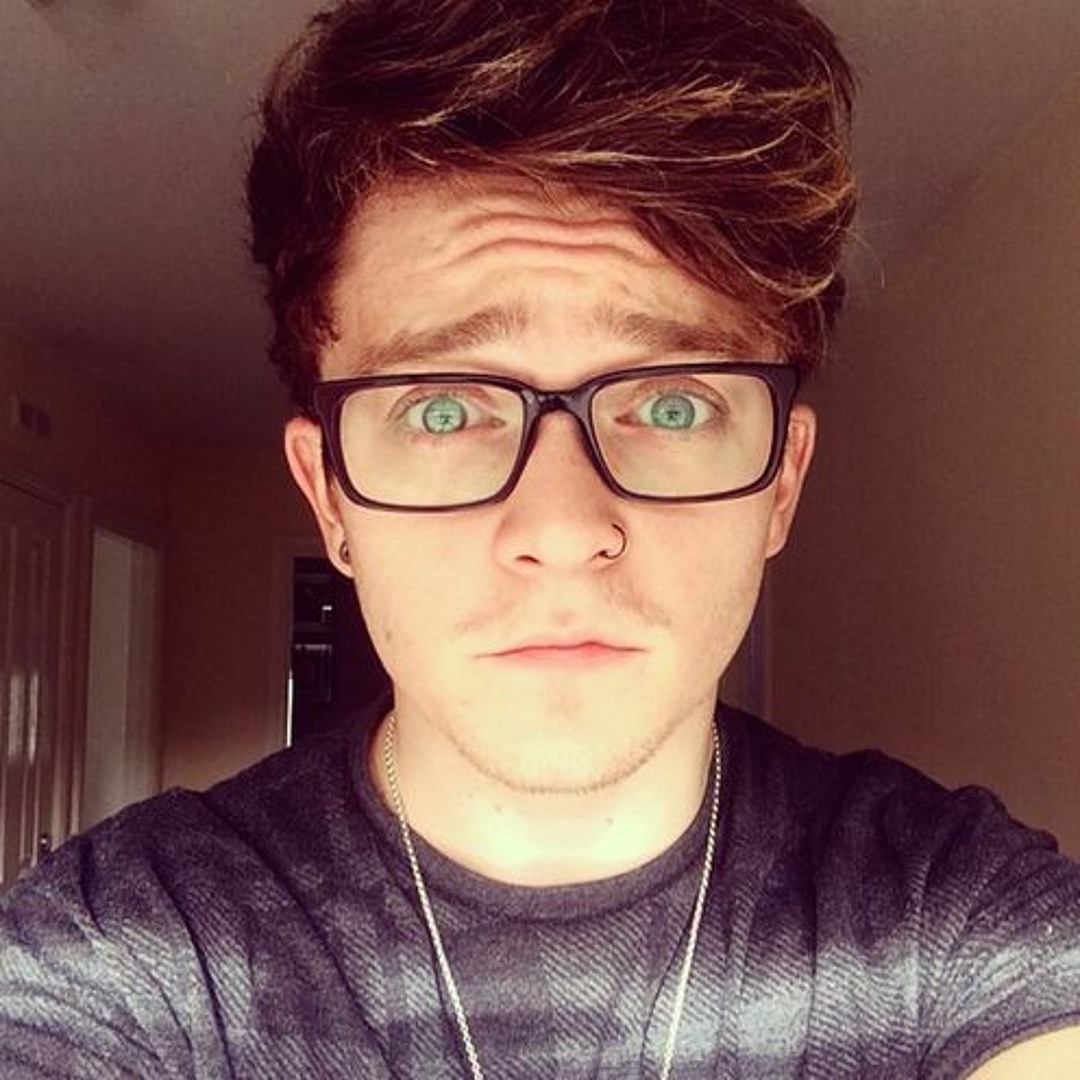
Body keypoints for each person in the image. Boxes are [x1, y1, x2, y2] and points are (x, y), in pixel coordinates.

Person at [2, 0, 1079, 1076]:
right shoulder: (118, 954)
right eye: (441, 409)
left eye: (671, 405)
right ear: (331, 497)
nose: (563, 531)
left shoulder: (960, 918)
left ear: (781, 484)